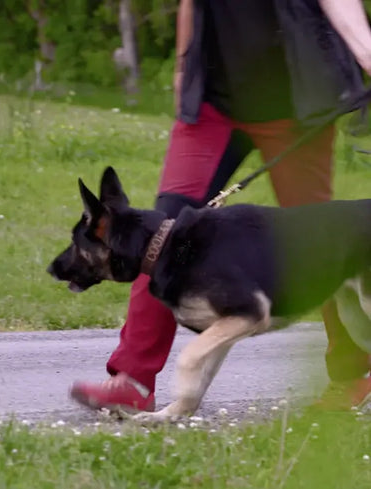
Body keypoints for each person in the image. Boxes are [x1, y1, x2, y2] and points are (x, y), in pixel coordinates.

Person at [69, 0, 371, 413]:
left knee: (328, 245)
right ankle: (134, 380)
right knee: (153, 238)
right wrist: (181, 68)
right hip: (214, 105)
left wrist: (367, 50)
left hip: (295, 108)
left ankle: (350, 376)